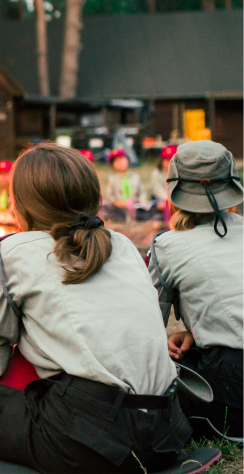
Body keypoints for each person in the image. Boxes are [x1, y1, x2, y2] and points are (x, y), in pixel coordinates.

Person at [0, 143, 190, 474]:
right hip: (166, 431)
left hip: (91, 441)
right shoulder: (124, 245)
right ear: (95, 198)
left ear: (22, 209)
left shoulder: (10, 251)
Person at [148, 140, 244, 442]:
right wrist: (201, 330)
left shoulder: (166, 246)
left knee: (161, 371)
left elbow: (147, 325)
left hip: (233, 386)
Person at [100, 148, 147, 222]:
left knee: (146, 212)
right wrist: (119, 203)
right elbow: (109, 196)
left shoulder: (135, 176)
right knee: (107, 210)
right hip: (118, 208)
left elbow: (142, 192)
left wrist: (143, 201)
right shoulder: (112, 179)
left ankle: (133, 216)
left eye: (122, 159)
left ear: (127, 160)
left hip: (134, 207)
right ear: (113, 165)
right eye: (116, 161)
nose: (120, 163)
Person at [149, 145, 177, 221]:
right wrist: (168, 201)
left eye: (171, 159)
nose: (168, 162)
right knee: (160, 205)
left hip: (176, 198)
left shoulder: (179, 174)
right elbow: (158, 191)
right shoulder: (157, 174)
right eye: (166, 159)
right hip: (162, 198)